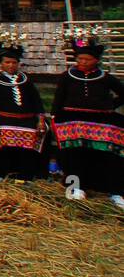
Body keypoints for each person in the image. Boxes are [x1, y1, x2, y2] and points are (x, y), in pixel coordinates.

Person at [52, 30, 124, 209]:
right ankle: (75, 188)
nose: (83, 62)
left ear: (96, 61)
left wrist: (110, 106)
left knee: (109, 155)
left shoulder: (105, 78)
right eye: (80, 59)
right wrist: (55, 118)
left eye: (87, 60)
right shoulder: (67, 77)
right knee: (73, 156)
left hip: (102, 123)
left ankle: (115, 192)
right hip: (72, 122)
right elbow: (58, 99)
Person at [0, 39, 48, 182]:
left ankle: (25, 176)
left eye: (14, 62)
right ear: (0, 64)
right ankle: (0, 174)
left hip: (26, 119)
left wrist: (41, 120)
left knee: (29, 145)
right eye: (7, 62)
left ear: (18, 63)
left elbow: (36, 101)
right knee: (2, 145)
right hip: (2, 118)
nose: (11, 65)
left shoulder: (26, 81)